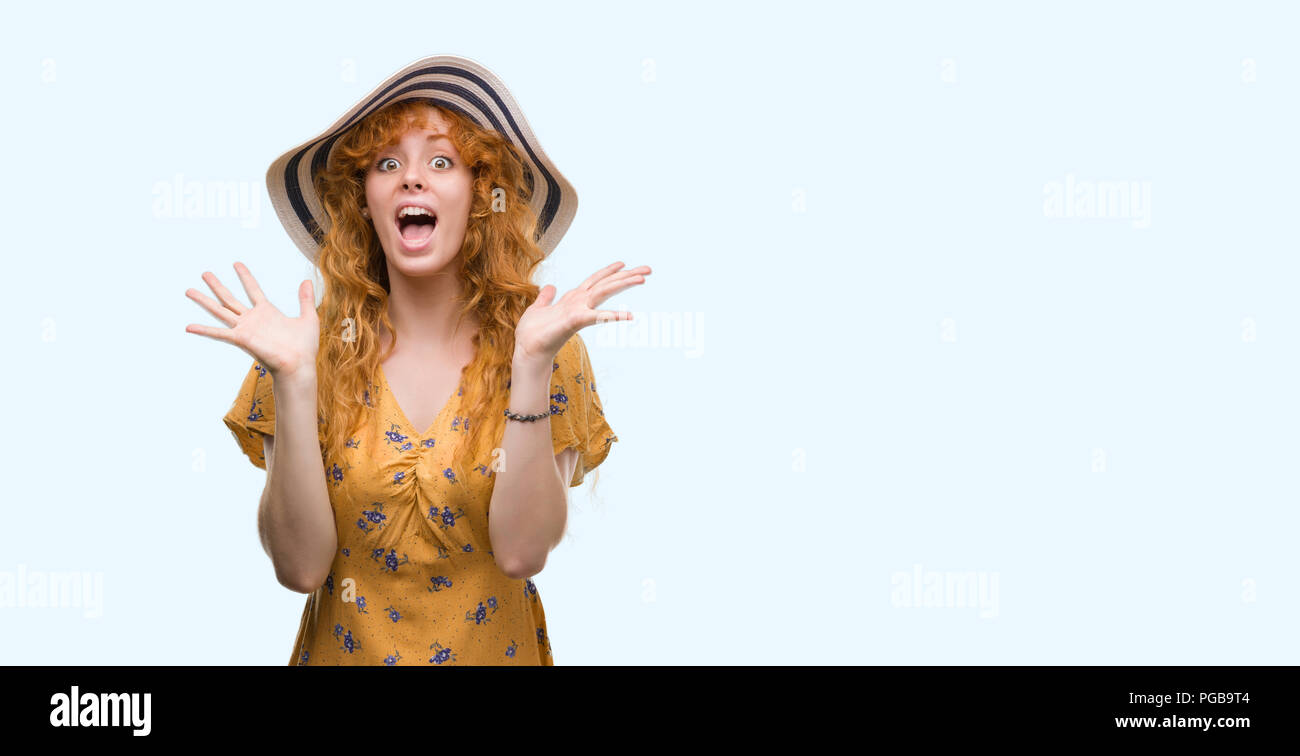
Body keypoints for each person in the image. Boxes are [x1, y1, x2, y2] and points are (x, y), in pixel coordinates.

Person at [183, 56, 650, 665]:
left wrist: (532, 365)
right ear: (363, 199)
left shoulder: (545, 343)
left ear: (481, 195)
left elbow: (522, 554)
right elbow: (300, 569)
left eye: (441, 161)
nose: (411, 179)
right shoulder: (304, 346)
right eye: (386, 164)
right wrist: (294, 382)